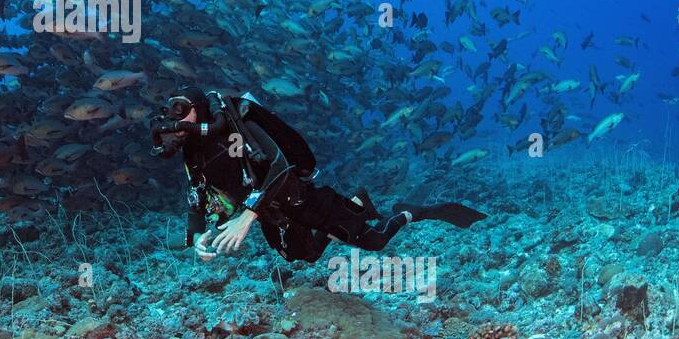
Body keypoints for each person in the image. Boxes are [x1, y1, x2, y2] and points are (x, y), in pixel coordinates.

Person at [150, 86, 486, 262]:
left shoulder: (236, 125)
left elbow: (281, 165)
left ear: (201, 108)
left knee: (374, 241)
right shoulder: (194, 152)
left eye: (182, 108)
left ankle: (411, 212)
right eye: (170, 110)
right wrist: (197, 238)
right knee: (304, 255)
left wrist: (245, 218)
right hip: (273, 214)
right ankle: (356, 203)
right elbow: (197, 196)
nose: (176, 118)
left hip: (301, 199)